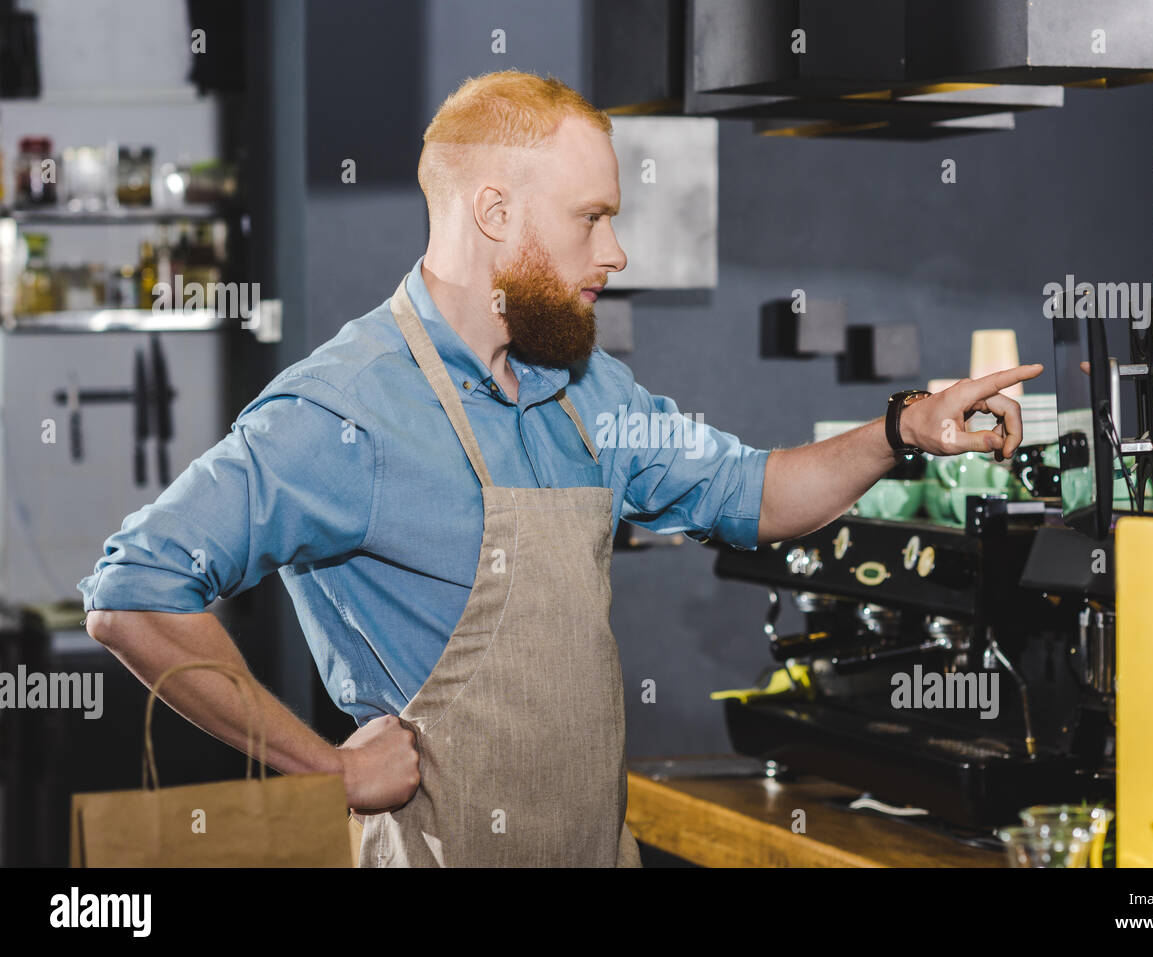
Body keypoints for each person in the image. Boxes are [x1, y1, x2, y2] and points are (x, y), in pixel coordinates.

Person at [78, 69, 1042, 867]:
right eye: (593, 218)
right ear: (494, 211)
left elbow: (755, 494)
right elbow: (132, 592)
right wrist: (323, 768)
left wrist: (904, 428)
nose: (615, 251)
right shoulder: (345, 410)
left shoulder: (590, 390)